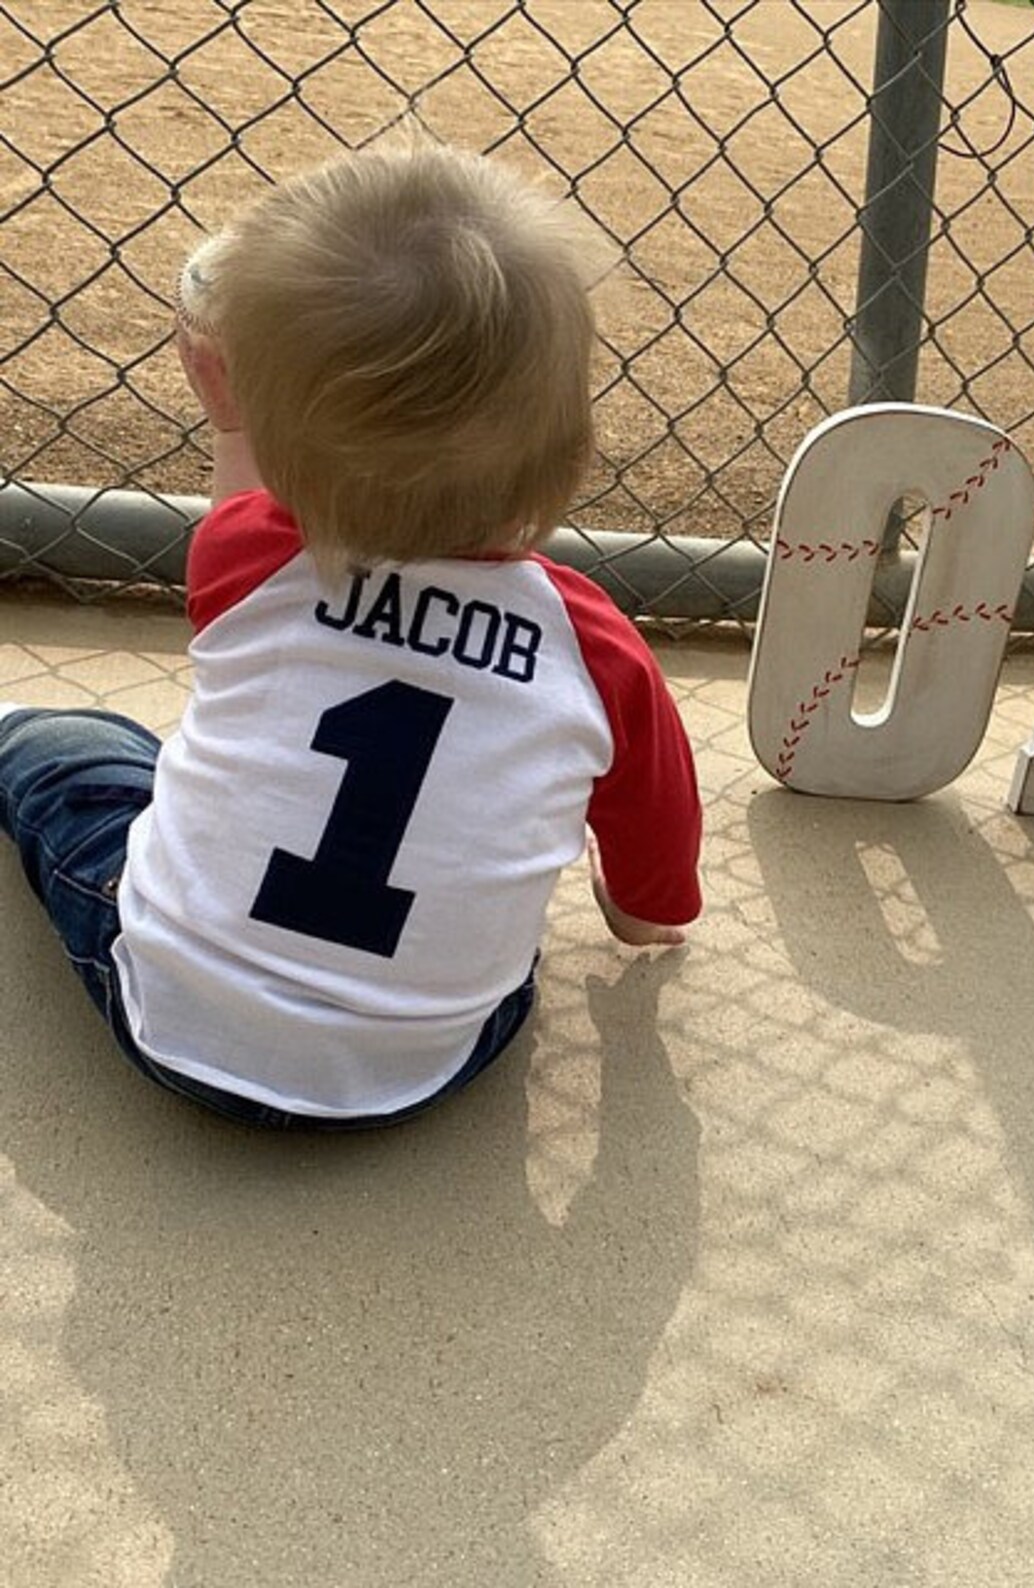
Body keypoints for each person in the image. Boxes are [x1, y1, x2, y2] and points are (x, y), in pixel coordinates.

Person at [0, 139, 702, 1128]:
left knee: (81, 751)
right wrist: (640, 913)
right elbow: (648, 900)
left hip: (170, 1020)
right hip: (427, 1062)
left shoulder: (244, 556)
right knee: (497, 921)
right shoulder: (597, 652)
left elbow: (253, 493)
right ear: (577, 453)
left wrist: (232, 410)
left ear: (260, 427)